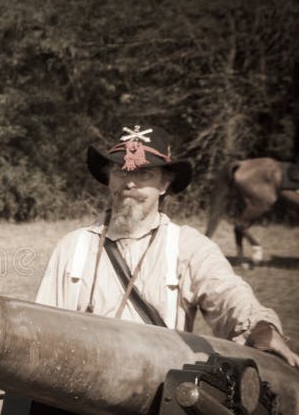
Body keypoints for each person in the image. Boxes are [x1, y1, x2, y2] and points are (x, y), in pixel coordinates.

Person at [35, 124, 299, 367]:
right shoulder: (72, 247)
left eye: (143, 173)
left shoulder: (189, 247)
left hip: (155, 403)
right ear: (109, 179)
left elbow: (229, 294)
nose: (129, 183)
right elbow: (42, 330)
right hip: (78, 399)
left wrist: (261, 327)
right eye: (120, 170)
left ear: (164, 184)